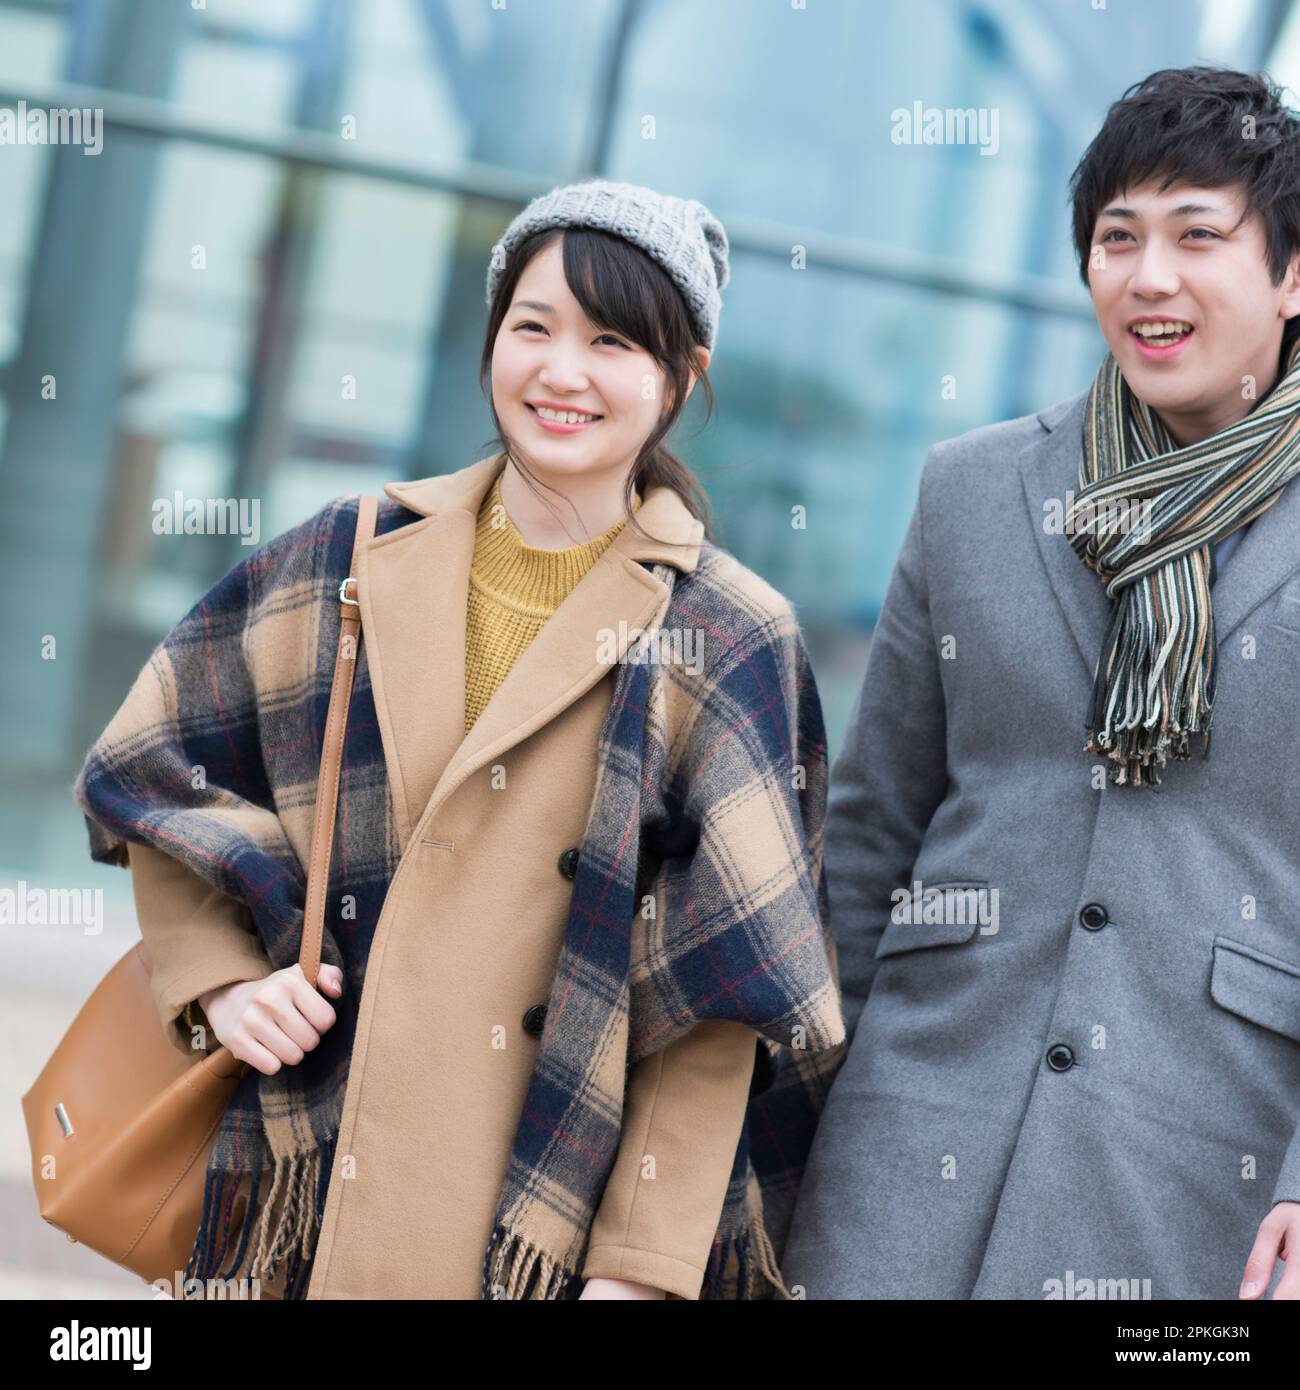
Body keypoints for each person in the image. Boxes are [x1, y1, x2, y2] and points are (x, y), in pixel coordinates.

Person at [74, 178, 845, 1301]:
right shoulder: (347, 551)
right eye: (532, 327)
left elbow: (720, 1003)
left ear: (684, 374)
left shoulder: (727, 639)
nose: (561, 371)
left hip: (537, 1229)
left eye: (613, 340)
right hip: (300, 1182)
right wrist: (221, 980)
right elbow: (155, 766)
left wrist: (637, 1272)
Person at [782, 66, 1300, 1301]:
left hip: (1204, 1184)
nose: (1148, 275)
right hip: (903, 1148)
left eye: (1196, 235)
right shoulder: (972, 488)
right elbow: (871, 834)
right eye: (1116, 237)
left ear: (1291, 277)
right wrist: (787, 1121)